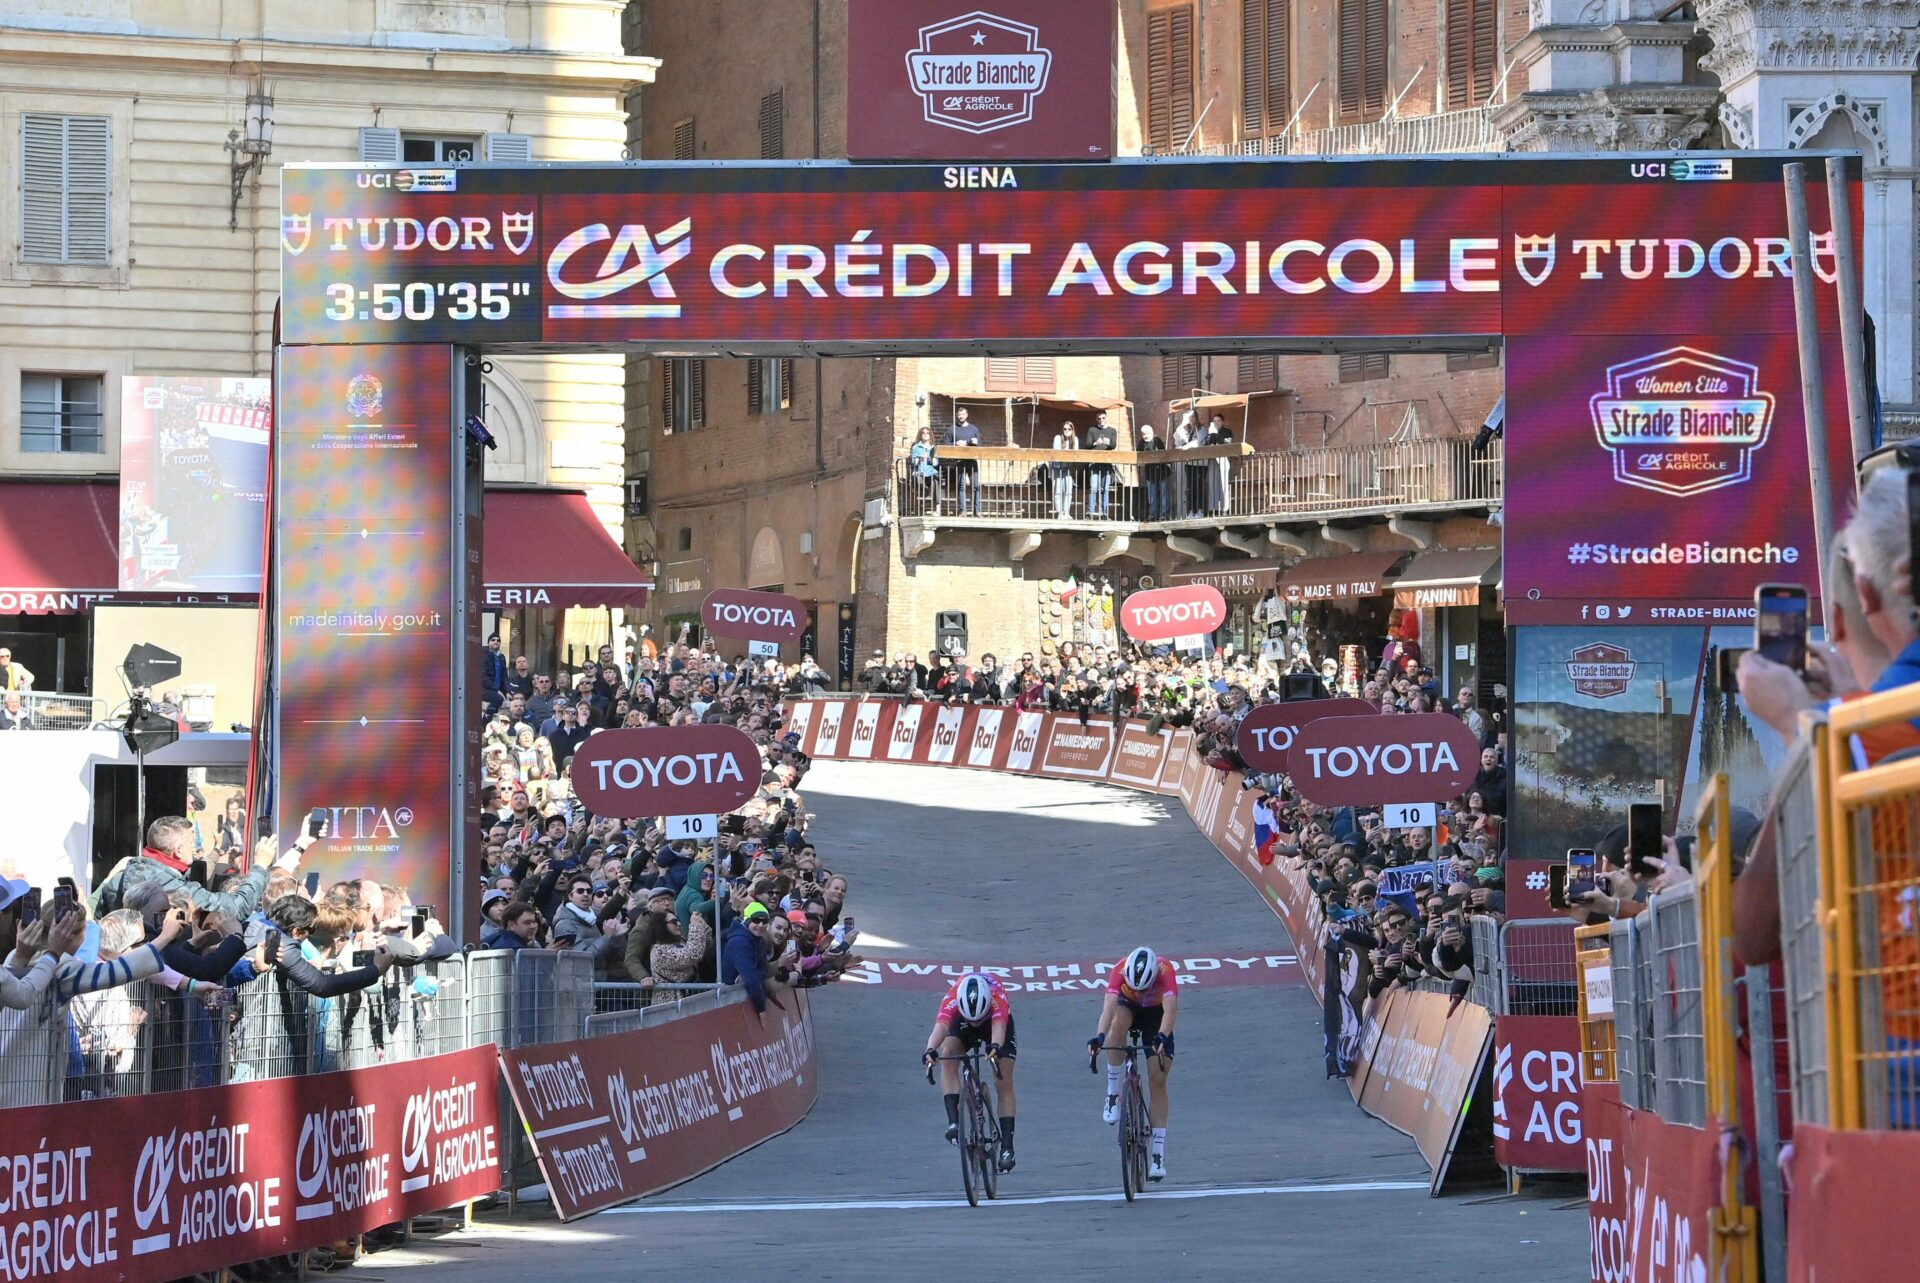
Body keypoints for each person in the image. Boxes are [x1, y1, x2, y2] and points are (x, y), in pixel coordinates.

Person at [1088, 945, 1177, 1181]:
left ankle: (1158, 1154)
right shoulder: (1119, 970)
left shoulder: (1166, 970)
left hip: (1156, 1015)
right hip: (1129, 1008)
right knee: (1117, 1024)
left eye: (1144, 987)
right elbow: (1108, 1008)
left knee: (1157, 1080)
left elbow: (1170, 1011)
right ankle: (1113, 1094)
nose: (1140, 991)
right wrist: (1099, 1036)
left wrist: (1162, 1036)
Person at [921, 971, 1018, 1172]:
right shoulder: (952, 998)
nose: (976, 1023)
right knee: (948, 1055)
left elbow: (999, 1028)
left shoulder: (997, 998)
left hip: (993, 1023)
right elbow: (940, 1028)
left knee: (1003, 1079)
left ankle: (1007, 1148)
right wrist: (930, 1050)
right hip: (961, 1020)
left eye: (977, 1019)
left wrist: (995, 1047)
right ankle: (954, 1123)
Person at [947, 407, 983, 516]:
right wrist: (955, 443)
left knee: (975, 486)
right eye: (959, 415)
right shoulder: (952, 429)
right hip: (959, 461)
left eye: (963, 414)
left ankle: (977, 510)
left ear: (967, 415)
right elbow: (946, 445)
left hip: (972, 460)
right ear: (956, 415)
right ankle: (963, 510)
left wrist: (976, 442)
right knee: (961, 486)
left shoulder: (973, 429)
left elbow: (980, 445)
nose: (961, 416)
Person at [1085, 410, 1118, 520]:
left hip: (1107, 462)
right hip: (1094, 462)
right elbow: (1087, 444)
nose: (1101, 420)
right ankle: (1090, 513)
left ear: (1106, 417)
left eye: (1103, 418)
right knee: (1093, 488)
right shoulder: (1092, 430)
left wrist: (1108, 442)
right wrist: (1096, 442)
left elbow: (1113, 445)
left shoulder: (1112, 431)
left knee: (1105, 489)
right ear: (1096, 419)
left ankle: (1104, 513)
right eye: (1099, 418)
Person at [1138, 422, 1172, 521]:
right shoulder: (1141, 443)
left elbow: (1162, 453)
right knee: (1152, 495)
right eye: (1144, 434)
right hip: (1150, 473)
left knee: (1164, 494)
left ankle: (1164, 515)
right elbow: (1139, 456)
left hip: (1162, 471)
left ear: (1152, 433)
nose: (1146, 436)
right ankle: (1153, 514)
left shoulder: (1157, 440)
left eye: (1148, 433)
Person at [1050, 421, 1079, 519]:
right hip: (1057, 467)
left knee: (1068, 490)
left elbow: (1076, 454)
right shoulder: (1058, 438)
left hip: (1068, 467)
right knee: (1058, 489)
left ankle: (1066, 512)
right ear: (1062, 430)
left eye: (1069, 429)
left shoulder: (1075, 439)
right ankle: (1060, 512)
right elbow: (1057, 452)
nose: (1067, 431)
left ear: (1072, 430)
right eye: (1065, 429)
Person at [908, 427, 940, 513]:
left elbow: (936, 463)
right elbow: (913, 461)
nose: (925, 434)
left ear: (930, 435)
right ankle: (927, 495)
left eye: (927, 433)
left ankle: (937, 506)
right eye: (923, 433)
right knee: (919, 481)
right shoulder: (916, 447)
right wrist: (918, 459)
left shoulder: (933, 448)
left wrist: (933, 460)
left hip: (931, 472)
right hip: (920, 471)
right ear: (920, 435)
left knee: (935, 482)